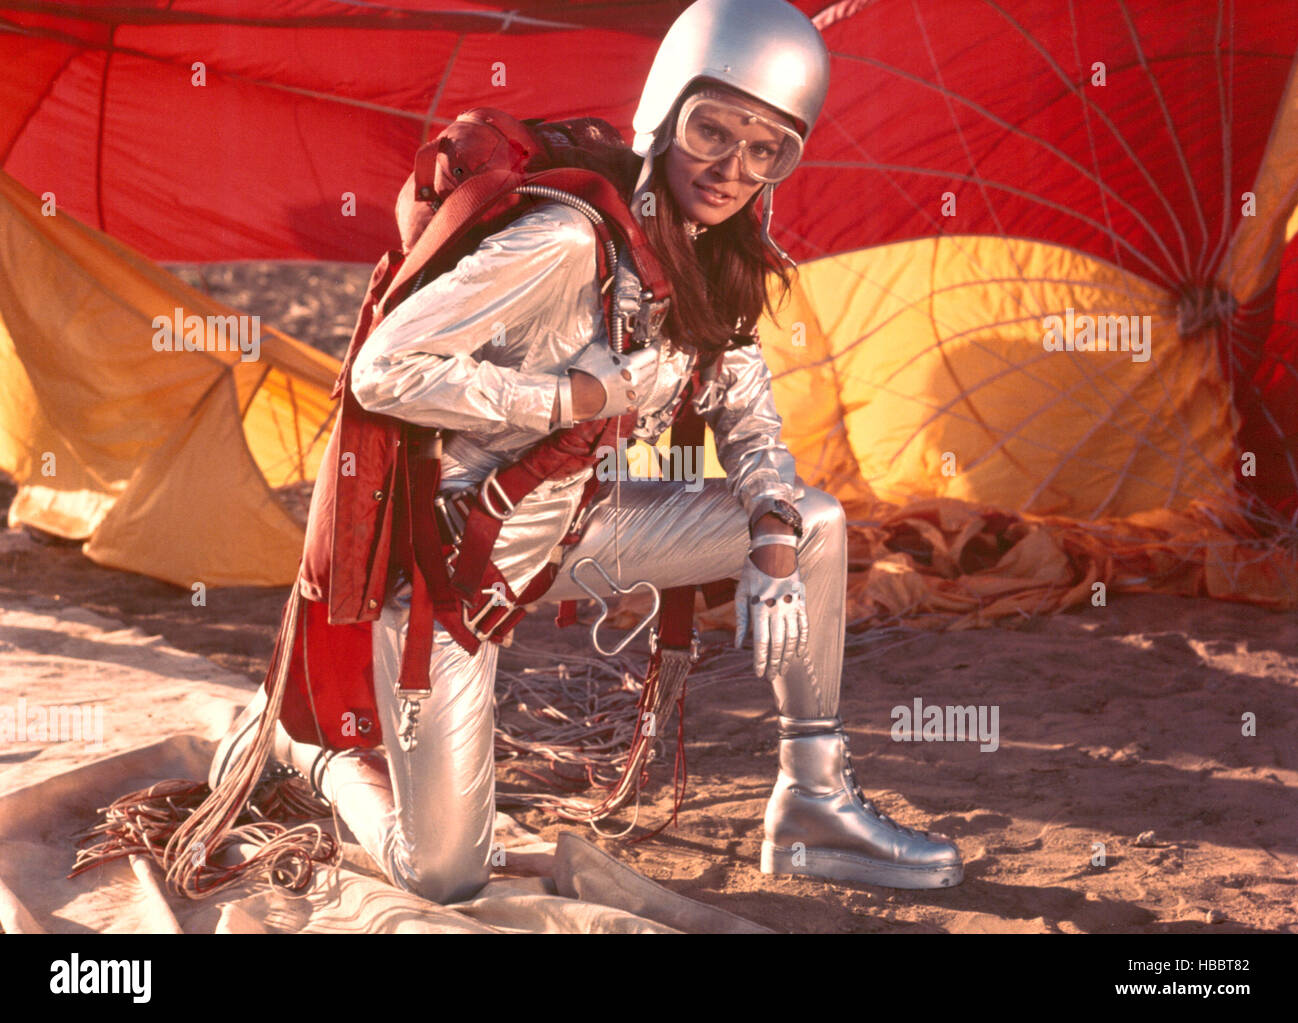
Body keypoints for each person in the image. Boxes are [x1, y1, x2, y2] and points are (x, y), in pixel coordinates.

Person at [211, 0, 963, 903]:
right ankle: (307, 749)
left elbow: (752, 422)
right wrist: (572, 397)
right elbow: (383, 370)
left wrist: (769, 529)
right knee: (441, 874)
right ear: (666, 113)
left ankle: (813, 796)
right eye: (713, 129)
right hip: (450, 571)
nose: (732, 168)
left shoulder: (715, 256)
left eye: (766, 149)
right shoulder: (566, 240)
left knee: (815, 520)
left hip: (573, 529)